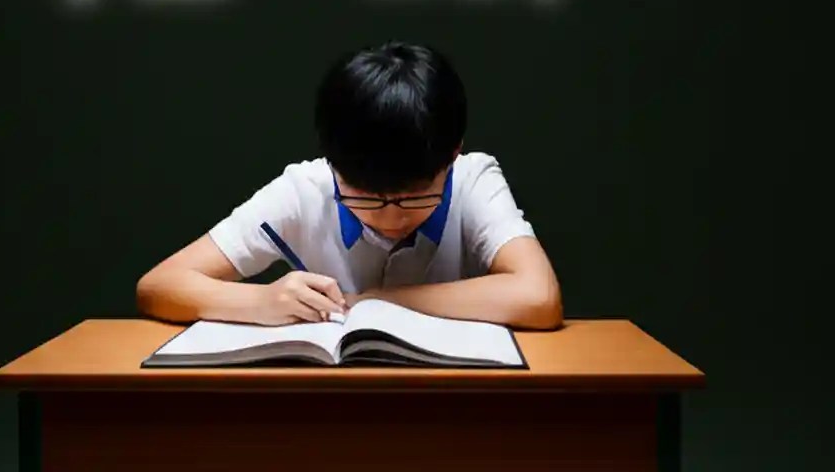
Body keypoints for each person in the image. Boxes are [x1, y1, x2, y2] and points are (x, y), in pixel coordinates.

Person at [135, 41, 562, 329]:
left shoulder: (473, 179)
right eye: (365, 197)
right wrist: (261, 302)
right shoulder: (304, 189)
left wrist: (377, 302)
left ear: (452, 155)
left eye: (415, 197)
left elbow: (538, 297)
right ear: (333, 164)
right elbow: (159, 285)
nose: (391, 216)